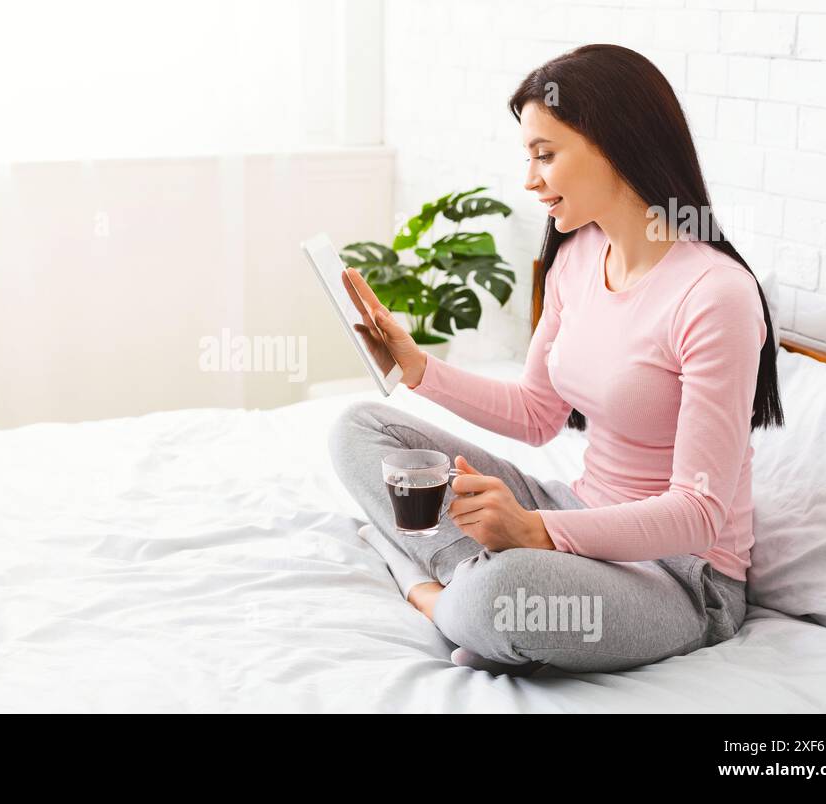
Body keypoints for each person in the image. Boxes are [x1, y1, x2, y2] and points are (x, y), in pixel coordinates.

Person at [327, 44, 784, 676]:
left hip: (677, 575)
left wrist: (536, 533)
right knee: (360, 430)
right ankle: (475, 587)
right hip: (575, 511)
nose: (531, 179)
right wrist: (417, 369)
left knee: (503, 598)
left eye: (546, 155)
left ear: (617, 144)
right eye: (528, 157)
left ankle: (436, 593)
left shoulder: (715, 295)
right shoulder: (577, 255)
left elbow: (698, 513)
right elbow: (538, 412)